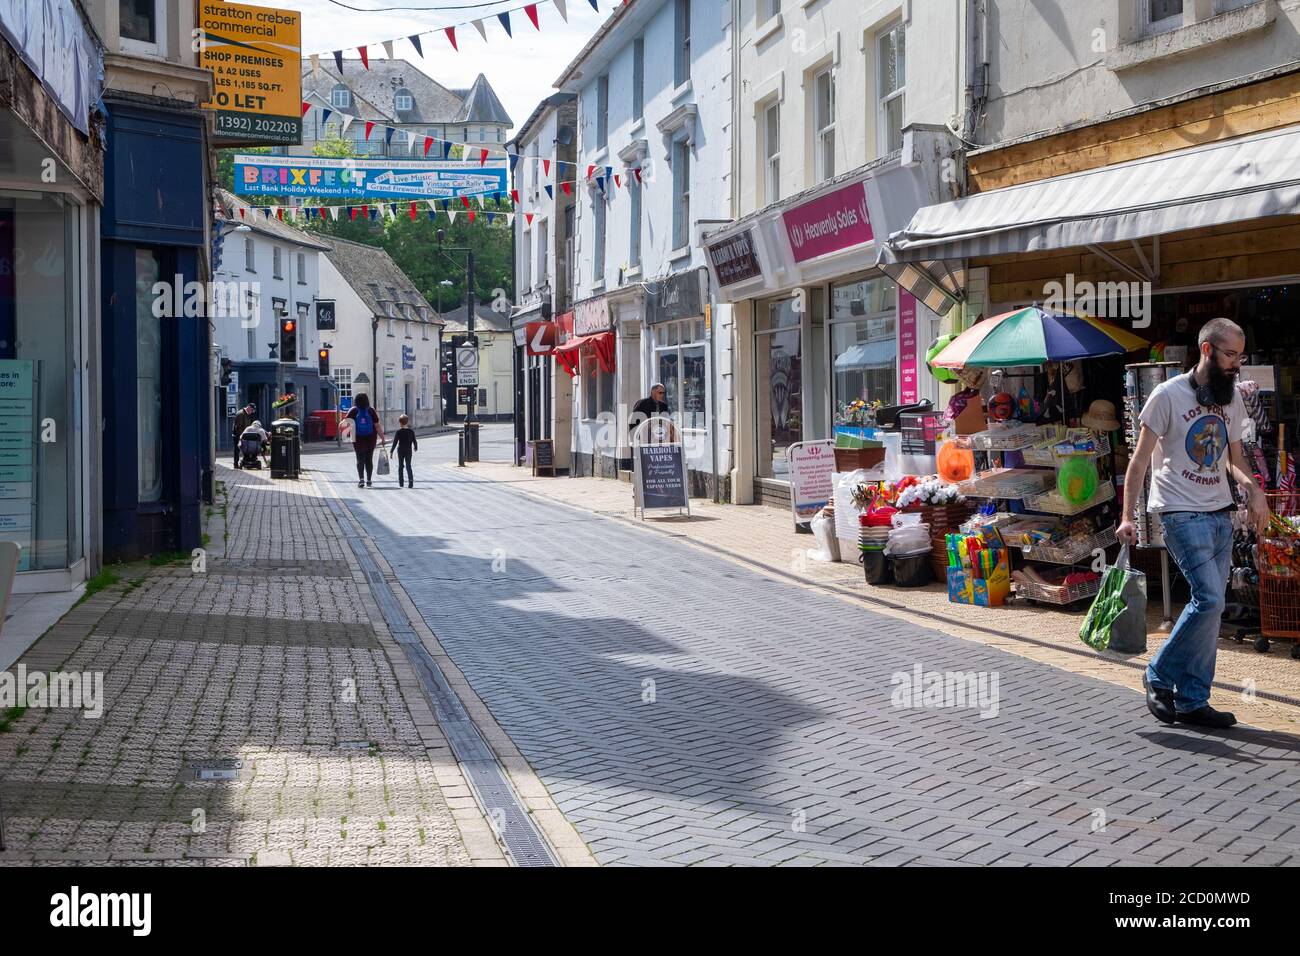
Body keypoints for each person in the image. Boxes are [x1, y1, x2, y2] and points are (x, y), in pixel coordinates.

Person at [1119, 317, 1268, 729]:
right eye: (1230, 355)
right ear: (1207, 350)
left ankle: (1192, 700)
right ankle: (1158, 673)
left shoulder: (1231, 397)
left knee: (1212, 611)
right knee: (1210, 600)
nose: (1237, 364)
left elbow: (1234, 460)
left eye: (1240, 355)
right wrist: (1127, 516)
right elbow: (1138, 462)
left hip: (1220, 513)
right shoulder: (1166, 396)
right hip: (1180, 511)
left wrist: (1254, 491)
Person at [343, 393, 385, 487]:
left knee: (360, 459)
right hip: (371, 438)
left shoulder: (353, 410)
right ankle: (369, 480)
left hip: (357, 438)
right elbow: (377, 426)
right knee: (369, 459)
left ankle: (361, 480)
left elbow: (345, 423)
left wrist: (344, 433)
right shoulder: (371, 410)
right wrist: (382, 437)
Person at [393, 414, 418, 488]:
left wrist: (391, 451)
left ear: (400, 423)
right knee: (408, 466)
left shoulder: (398, 432)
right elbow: (414, 441)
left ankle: (401, 482)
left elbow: (395, 442)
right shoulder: (411, 431)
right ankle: (410, 481)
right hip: (408, 451)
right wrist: (415, 447)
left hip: (400, 451)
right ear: (407, 422)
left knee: (400, 466)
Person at [231, 403, 255, 468]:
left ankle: (245, 462)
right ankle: (236, 464)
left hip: (243, 434)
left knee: (245, 448)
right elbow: (238, 427)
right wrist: (241, 436)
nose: (252, 412)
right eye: (252, 410)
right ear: (249, 407)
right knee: (237, 449)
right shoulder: (241, 414)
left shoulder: (247, 414)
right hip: (238, 435)